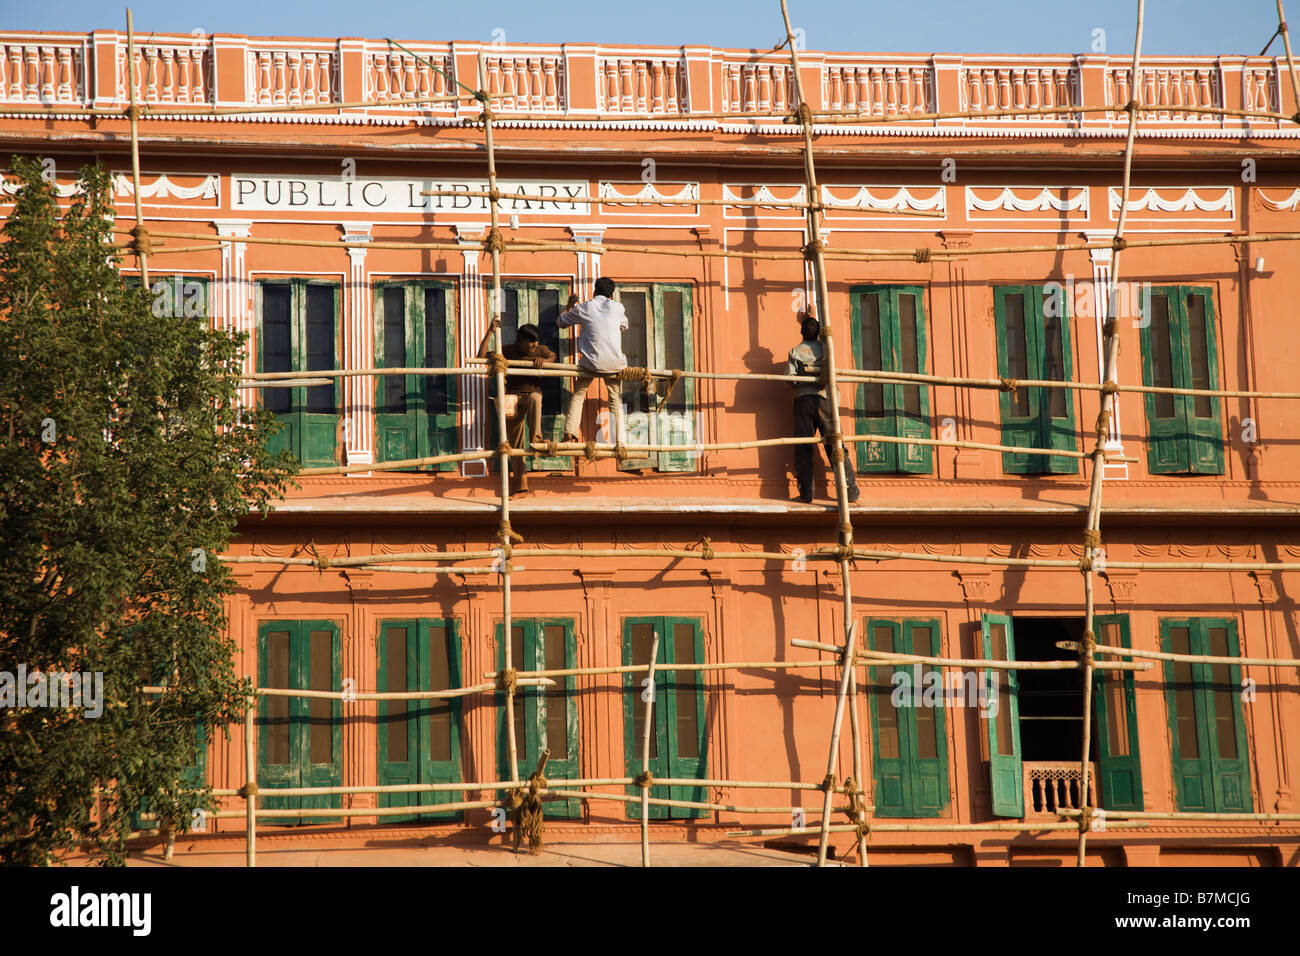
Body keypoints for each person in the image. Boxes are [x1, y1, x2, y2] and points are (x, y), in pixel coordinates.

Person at [788, 314, 861, 505]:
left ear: (802, 332)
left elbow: (791, 380)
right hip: (824, 400)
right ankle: (849, 491)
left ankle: (807, 494)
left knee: (805, 446)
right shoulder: (826, 349)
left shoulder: (797, 351)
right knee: (834, 445)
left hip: (806, 401)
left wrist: (804, 375)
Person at [477, 317, 555, 494]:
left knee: (535, 397)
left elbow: (552, 356)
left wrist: (546, 362)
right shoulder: (508, 350)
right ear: (521, 340)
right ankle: (521, 489)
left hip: (530, 397)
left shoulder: (540, 349)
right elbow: (481, 357)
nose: (534, 347)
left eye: (536, 344)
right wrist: (490, 331)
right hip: (512, 400)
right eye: (531, 344)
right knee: (516, 446)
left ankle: (536, 437)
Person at [558, 276, 627, 448]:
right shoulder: (618, 307)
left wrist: (569, 306)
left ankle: (569, 432)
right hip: (614, 363)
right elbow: (624, 326)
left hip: (591, 363)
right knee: (615, 399)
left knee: (579, 394)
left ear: (595, 290)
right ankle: (621, 441)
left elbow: (560, 322)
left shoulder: (585, 307)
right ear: (612, 294)